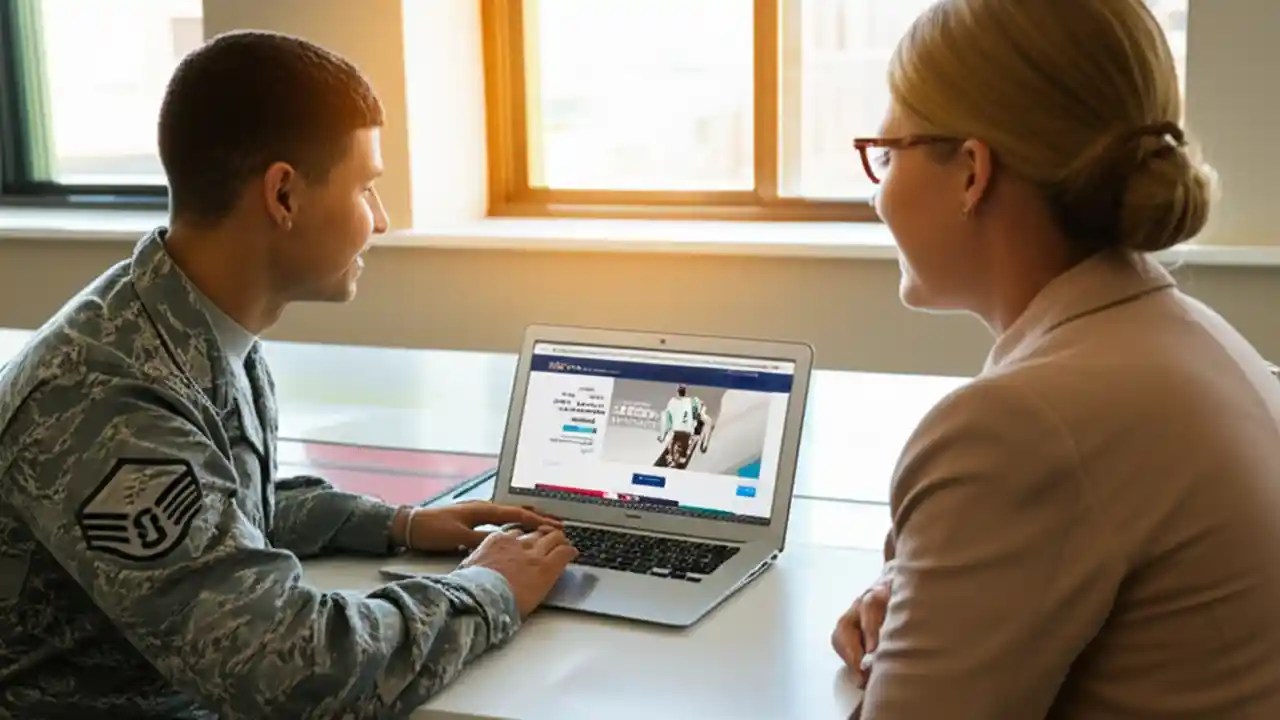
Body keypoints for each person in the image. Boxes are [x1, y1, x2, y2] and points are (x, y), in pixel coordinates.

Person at [0, 31, 578, 719]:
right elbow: (295, 673)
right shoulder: (104, 396)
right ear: (283, 196)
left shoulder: (183, 320)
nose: (383, 222)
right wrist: (489, 590)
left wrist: (402, 524)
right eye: (367, 187)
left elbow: (220, 505)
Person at [831, 0, 1280, 718]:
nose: (878, 197)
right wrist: (924, 594)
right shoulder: (1197, 341)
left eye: (886, 156)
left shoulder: (1021, 425)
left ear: (972, 173)